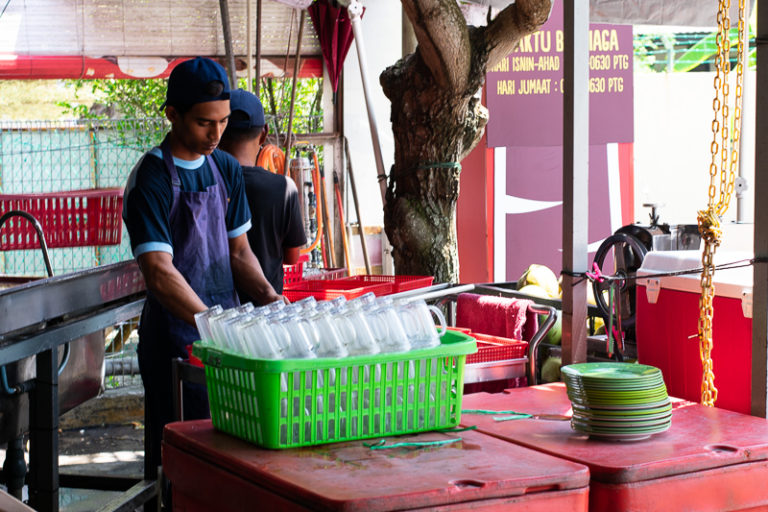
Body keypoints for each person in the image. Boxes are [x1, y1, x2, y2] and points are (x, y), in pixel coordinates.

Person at [122, 57, 282, 475]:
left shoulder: (226, 169)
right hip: (175, 343)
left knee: (230, 454)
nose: (216, 134)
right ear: (172, 114)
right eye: (203, 123)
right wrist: (211, 323)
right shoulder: (151, 179)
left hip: (224, 339)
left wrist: (270, 299)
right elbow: (159, 270)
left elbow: (239, 253)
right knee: (180, 461)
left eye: (224, 122)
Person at [218, 89, 307, 295]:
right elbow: (292, 257)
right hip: (266, 308)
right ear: (265, 133)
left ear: (219, 131)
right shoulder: (284, 188)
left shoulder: (208, 185)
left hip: (216, 310)